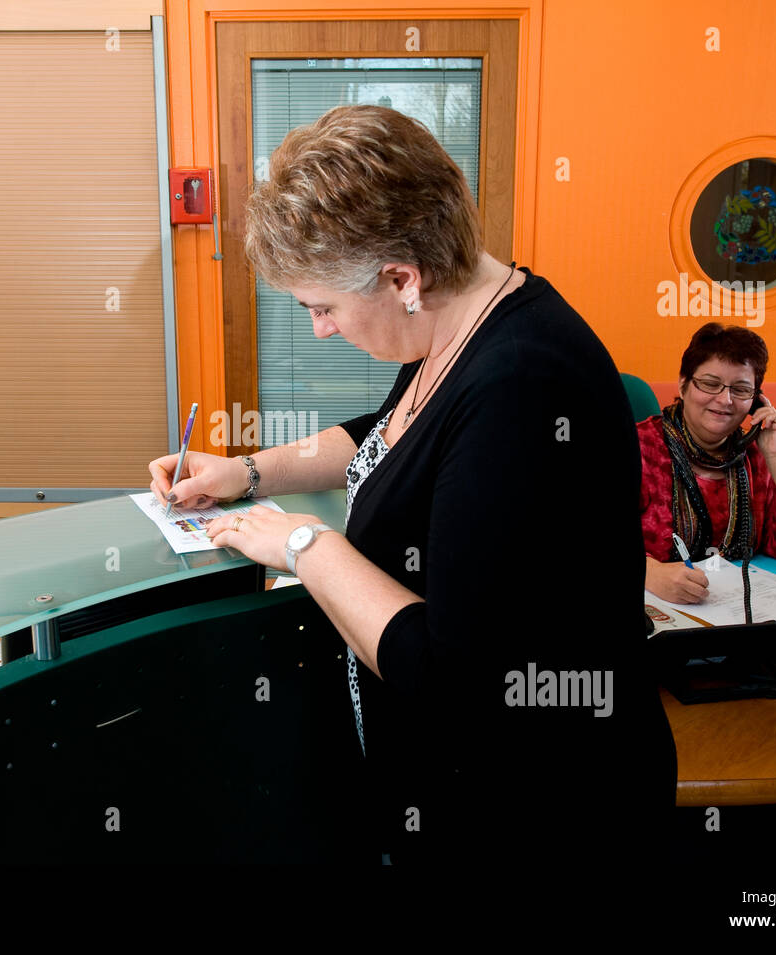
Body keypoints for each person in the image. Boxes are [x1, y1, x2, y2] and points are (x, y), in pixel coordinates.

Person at [148, 105, 676, 867]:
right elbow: (391, 432)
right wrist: (247, 471)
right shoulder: (461, 323)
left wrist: (302, 543)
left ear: (401, 277)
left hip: (536, 812)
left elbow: (452, 671)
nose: (321, 328)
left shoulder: (524, 386)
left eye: (322, 307)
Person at [640, 323, 776, 605]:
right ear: (683, 384)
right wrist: (648, 573)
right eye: (710, 384)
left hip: (739, 616)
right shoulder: (638, 448)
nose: (725, 400)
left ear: (756, 401)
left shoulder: (756, 456)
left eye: (741, 389)